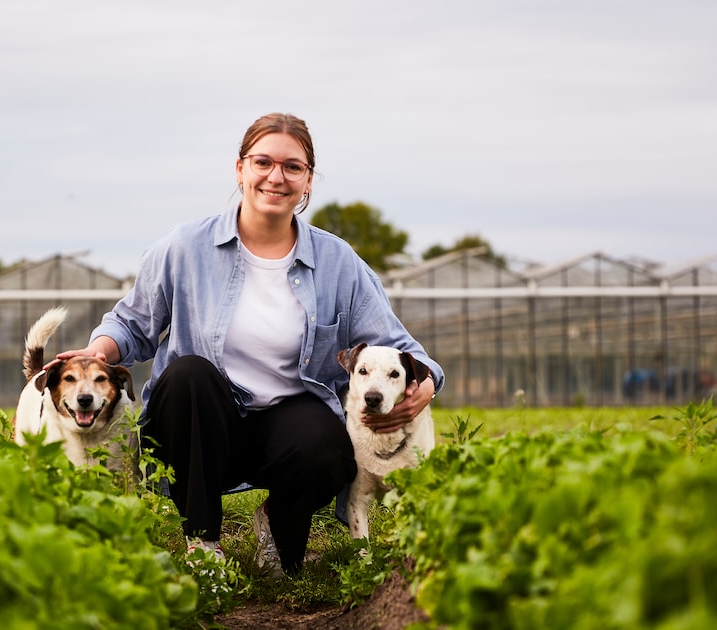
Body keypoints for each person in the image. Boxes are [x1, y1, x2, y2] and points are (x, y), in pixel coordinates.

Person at [52, 112, 443, 577]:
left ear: (308, 181)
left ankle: (277, 529)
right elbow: (131, 323)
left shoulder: (339, 262)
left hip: (284, 429)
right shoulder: (184, 247)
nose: (276, 177)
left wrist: (426, 385)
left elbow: (399, 345)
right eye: (263, 162)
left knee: (328, 443)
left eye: (292, 167)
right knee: (188, 374)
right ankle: (204, 544)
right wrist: (97, 353)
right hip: (199, 426)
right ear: (240, 169)